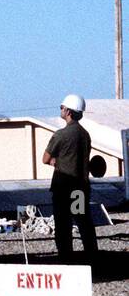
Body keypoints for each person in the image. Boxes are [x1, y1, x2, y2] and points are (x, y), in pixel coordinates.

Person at [42, 93, 98, 263]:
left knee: (63, 224)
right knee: (83, 222)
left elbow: (45, 158)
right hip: (79, 188)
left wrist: (56, 161)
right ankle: (92, 257)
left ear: (68, 111)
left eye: (62, 107)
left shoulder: (61, 135)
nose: (61, 109)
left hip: (63, 189)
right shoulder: (85, 135)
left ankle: (66, 259)